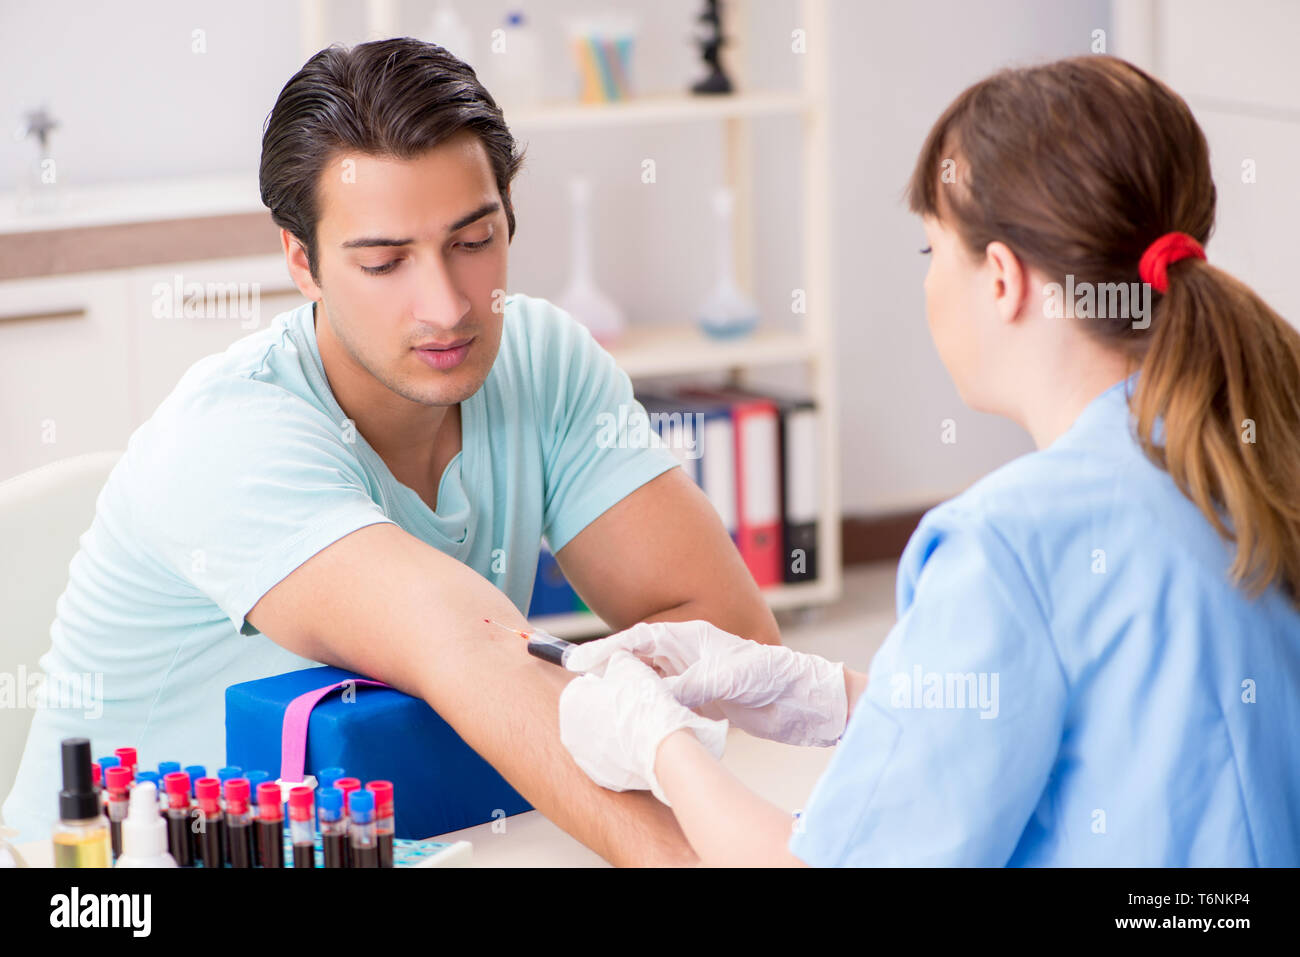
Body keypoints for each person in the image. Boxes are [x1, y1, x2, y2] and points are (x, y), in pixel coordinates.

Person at [2, 38, 780, 863]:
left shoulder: (540, 359)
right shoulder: (232, 438)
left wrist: (547, 686)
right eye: (384, 261)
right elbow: (472, 654)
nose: (445, 307)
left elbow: (735, 646)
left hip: (381, 834)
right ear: (301, 261)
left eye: (473, 242)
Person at [558, 55, 1300, 866]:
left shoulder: (1008, 544)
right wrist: (824, 694)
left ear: (1004, 279)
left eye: (930, 251)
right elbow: (1119, 730)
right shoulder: (1251, 452)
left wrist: (662, 745)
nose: (927, 281)